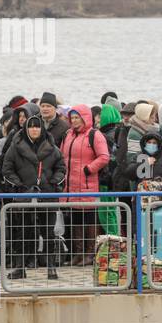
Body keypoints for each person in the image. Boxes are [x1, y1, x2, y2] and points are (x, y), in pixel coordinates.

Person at [2, 114, 66, 280]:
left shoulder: (52, 148)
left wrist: (54, 182)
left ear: (42, 128)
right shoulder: (15, 147)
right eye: (31, 126)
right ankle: (20, 267)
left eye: (37, 126)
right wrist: (19, 185)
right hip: (24, 196)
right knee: (23, 234)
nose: (34, 129)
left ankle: (51, 268)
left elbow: (61, 169)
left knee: (49, 233)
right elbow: (7, 169)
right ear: (26, 128)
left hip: (47, 195)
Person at [60, 104, 111, 266]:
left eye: (77, 117)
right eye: (72, 118)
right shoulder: (68, 135)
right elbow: (62, 156)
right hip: (71, 185)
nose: (74, 121)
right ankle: (78, 253)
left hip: (88, 184)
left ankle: (90, 253)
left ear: (84, 118)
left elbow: (104, 157)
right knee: (75, 219)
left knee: (89, 219)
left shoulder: (95, 135)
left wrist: (89, 169)